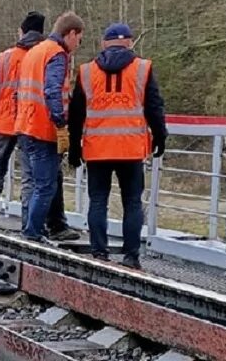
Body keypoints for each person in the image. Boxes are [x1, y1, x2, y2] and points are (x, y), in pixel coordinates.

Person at [68, 23, 166, 269]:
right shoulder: (143, 69)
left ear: (103, 44)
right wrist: (160, 136)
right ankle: (131, 257)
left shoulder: (87, 71)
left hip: (97, 148)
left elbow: (76, 113)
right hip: (131, 148)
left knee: (97, 200)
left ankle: (99, 253)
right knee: (132, 202)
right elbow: (154, 107)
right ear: (130, 42)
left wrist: (73, 146)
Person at [0, 12, 76, 240]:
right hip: (32, 124)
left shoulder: (6, 57)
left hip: (5, 123)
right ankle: (37, 225)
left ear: (21, 31)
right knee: (35, 178)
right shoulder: (44, 54)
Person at [15, 11, 85, 242]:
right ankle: (33, 233)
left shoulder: (35, 51)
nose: (77, 44)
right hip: (43, 129)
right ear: (71, 33)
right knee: (45, 185)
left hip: (25, 125)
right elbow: (52, 90)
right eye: (79, 39)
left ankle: (48, 227)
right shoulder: (57, 54)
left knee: (43, 181)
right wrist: (61, 123)